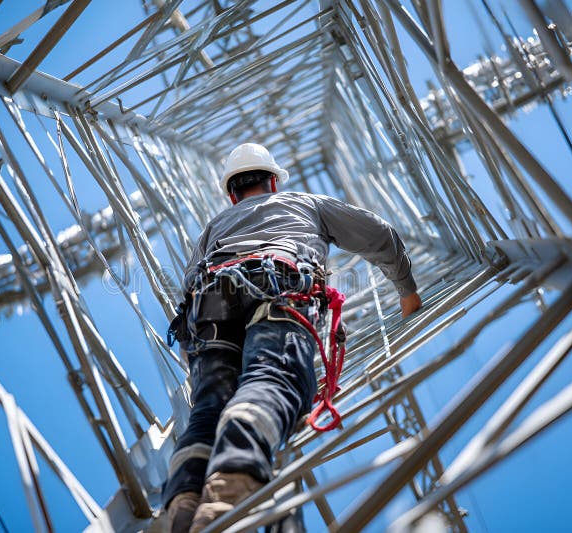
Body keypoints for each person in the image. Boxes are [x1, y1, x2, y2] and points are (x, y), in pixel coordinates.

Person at [163, 143, 421, 532]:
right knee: (273, 378)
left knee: (208, 407)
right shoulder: (304, 203)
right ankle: (235, 483)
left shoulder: (214, 226)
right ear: (273, 182)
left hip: (210, 303)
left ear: (232, 193)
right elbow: (379, 235)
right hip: (280, 286)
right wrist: (406, 290)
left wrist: (203, 359)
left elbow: (187, 289)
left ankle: (183, 505)